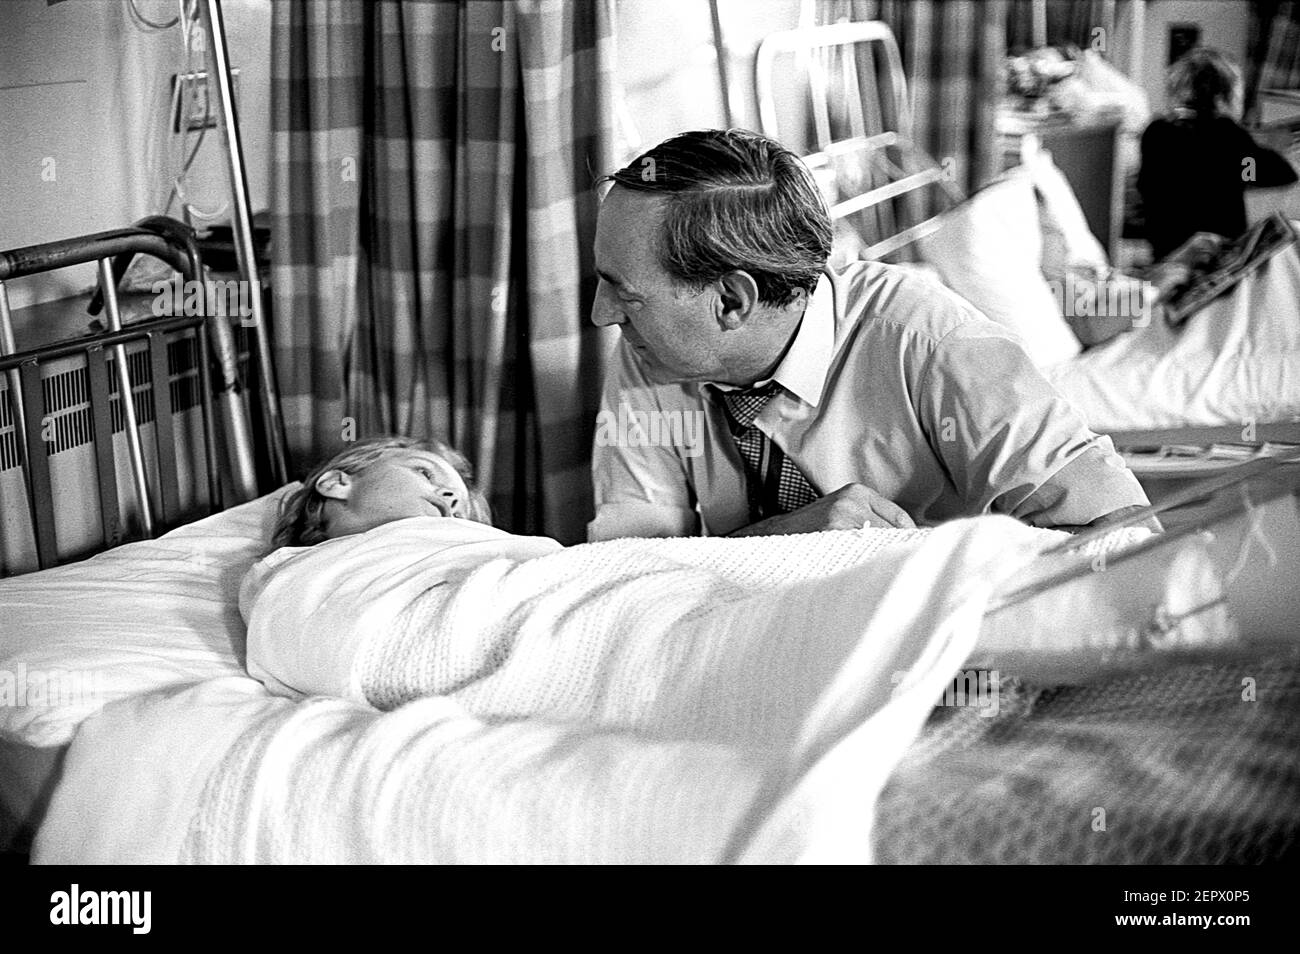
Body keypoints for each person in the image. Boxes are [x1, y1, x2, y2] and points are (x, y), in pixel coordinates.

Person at [588, 128, 1153, 541]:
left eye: (624, 292)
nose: (601, 314)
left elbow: (1123, 536)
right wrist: (787, 538)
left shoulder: (932, 345)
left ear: (733, 301)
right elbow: (633, 564)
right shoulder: (648, 355)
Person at [1138, 47, 1297, 262]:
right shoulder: (1229, 136)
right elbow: (1277, 174)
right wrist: (1253, 153)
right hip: (1214, 259)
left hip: (1166, 254)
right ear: (1224, 95)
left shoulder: (1156, 132)